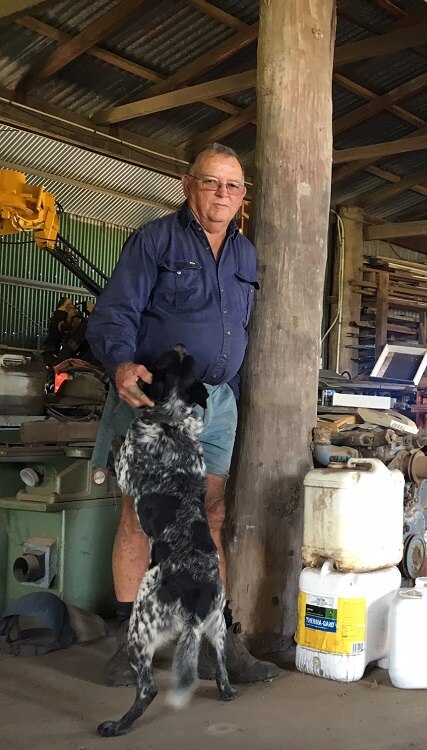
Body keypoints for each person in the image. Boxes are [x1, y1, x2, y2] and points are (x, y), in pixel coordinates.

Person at [87, 142, 278, 686]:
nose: (223, 194)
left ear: (243, 196)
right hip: (158, 394)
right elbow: (115, 313)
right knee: (140, 515)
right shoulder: (155, 240)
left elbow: (234, 329)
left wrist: (233, 392)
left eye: (233, 185)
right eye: (212, 182)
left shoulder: (245, 254)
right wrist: (121, 365)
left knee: (209, 515)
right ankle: (132, 645)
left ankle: (219, 644)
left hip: (216, 400)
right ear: (188, 184)